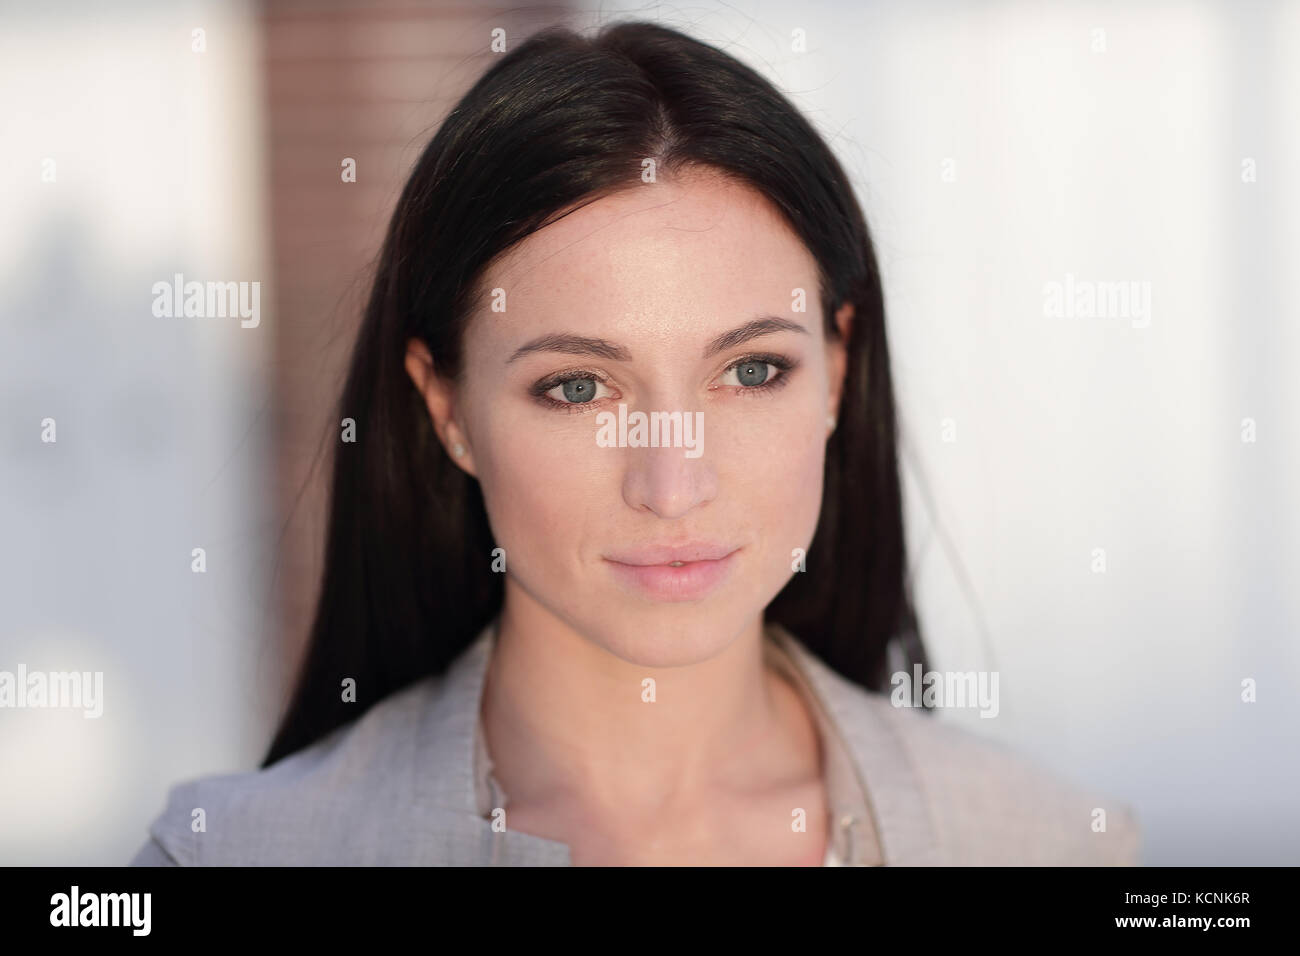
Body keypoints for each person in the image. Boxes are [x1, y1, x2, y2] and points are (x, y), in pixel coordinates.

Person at [130, 20, 1139, 866]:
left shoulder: (1047, 844)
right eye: (576, 386)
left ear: (834, 368)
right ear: (445, 407)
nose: (672, 482)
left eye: (750, 371)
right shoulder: (232, 854)